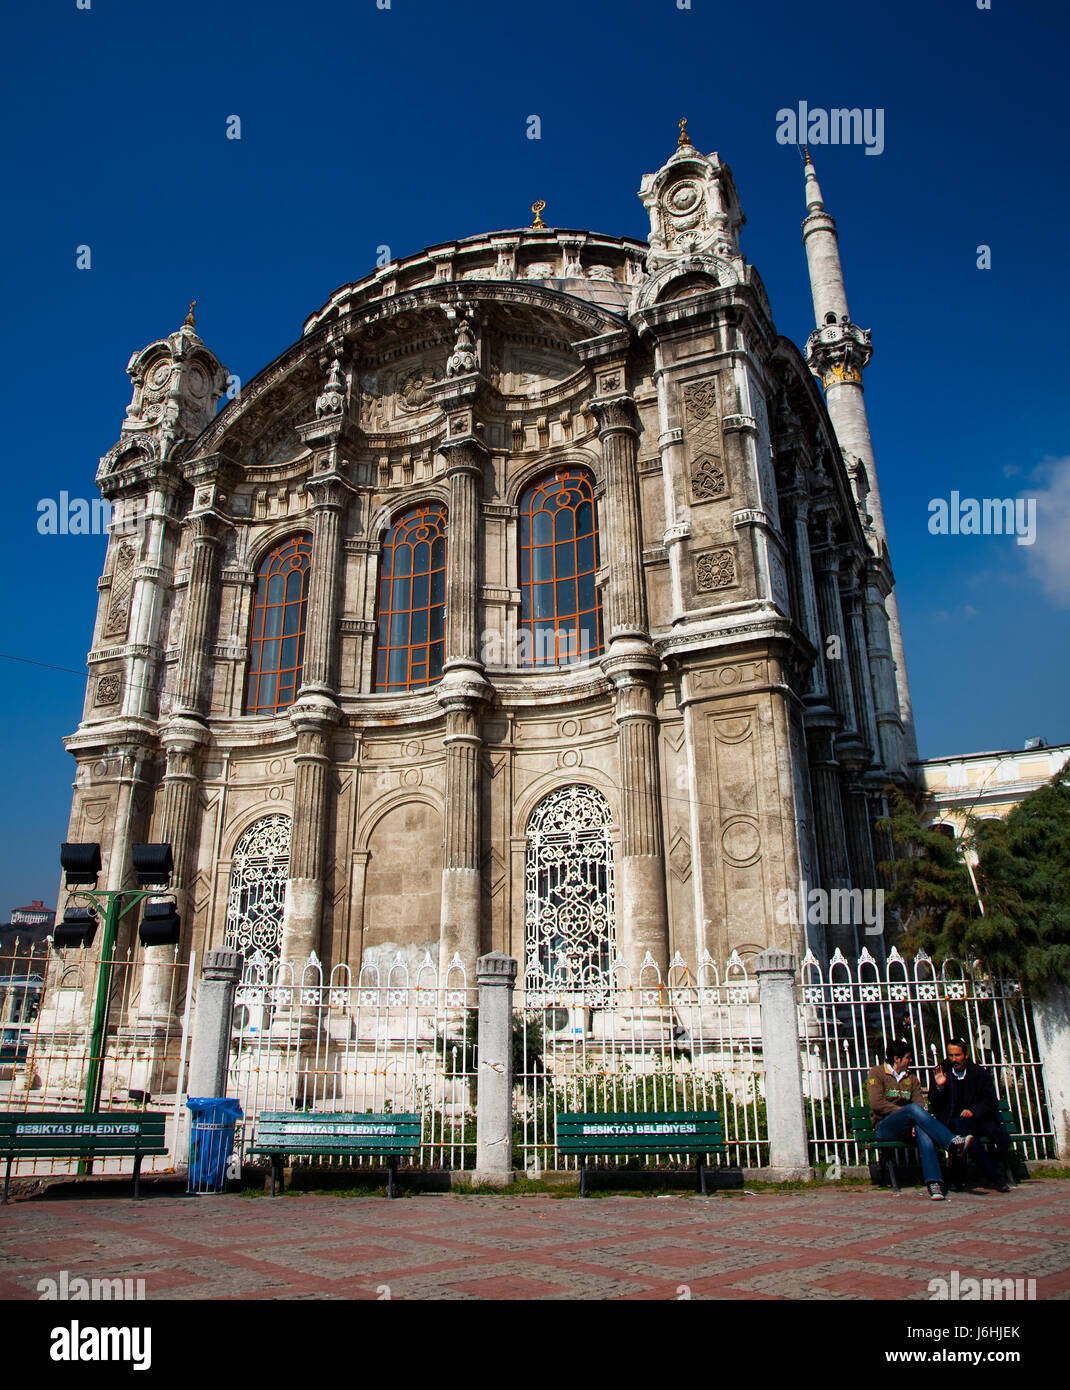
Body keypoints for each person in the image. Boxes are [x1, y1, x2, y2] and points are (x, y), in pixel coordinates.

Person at [866, 1039, 973, 1200]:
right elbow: (877, 1103)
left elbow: (920, 1105)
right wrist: (907, 1112)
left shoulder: (912, 1078)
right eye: (908, 1057)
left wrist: (913, 1118)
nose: (911, 1061)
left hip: (910, 1125)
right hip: (885, 1126)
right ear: (897, 1059)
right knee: (913, 1110)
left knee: (923, 1129)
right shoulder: (877, 1073)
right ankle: (951, 1142)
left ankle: (934, 1184)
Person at [930, 1037, 1013, 1191]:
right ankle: (995, 1177)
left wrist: (973, 1110)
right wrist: (940, 1087)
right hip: (953, 1120)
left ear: (965, 1055)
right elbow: (935, 1104)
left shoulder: (979, 1073)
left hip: (978, 1120)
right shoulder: (941, 1071)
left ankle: (958, 1180)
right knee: (963, 1134)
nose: (954, 1059)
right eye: (951, 1055)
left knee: (968, 1138)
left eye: (957, 1055)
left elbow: (990, 1101)